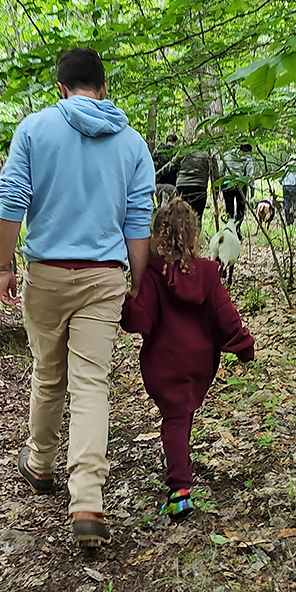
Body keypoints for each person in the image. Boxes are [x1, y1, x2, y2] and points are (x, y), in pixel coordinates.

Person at [0, 48, 155, 548]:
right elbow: (137, 221)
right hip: (103, 277)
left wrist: (4, 265)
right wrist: (139, 281)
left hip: (45, 275)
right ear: (102, 88)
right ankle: (87, 498)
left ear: (60, 88)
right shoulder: (132, 144)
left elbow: (12, 201)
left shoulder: (34, 130)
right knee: (91, 385)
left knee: (48, 373)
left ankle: (41, 464)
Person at [121, 199, 255, 521]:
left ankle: (180, 490)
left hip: (165, 364)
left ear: (156, 238)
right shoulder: (208, 274)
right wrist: (243, 345)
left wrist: (127, 301)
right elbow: (226, 315)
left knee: (176, 419)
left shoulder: (153, 276)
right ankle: (181, 467)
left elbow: (140, 321)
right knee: (182, 415)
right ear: (194, 237)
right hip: (198, 363)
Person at [222, 143, 254, 235]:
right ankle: (237, 227)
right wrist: (252, 188)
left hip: (227, 184)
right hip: (240, 185)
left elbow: (221, 169)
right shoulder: (247, 157)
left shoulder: (227, 154)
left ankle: (229, 227)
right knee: (241, 207)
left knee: (229, 207)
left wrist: (219, 182)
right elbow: (250, 174)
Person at [175, 148, 211, 222]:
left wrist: (158, 174)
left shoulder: (184, 151)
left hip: (182, 185)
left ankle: (181, 231)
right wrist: (216, 189)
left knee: (182, 214)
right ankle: (195, 232)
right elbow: (214, 170)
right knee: (197, 216)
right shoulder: (207, 154)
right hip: (199, 186)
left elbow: (172, 164)